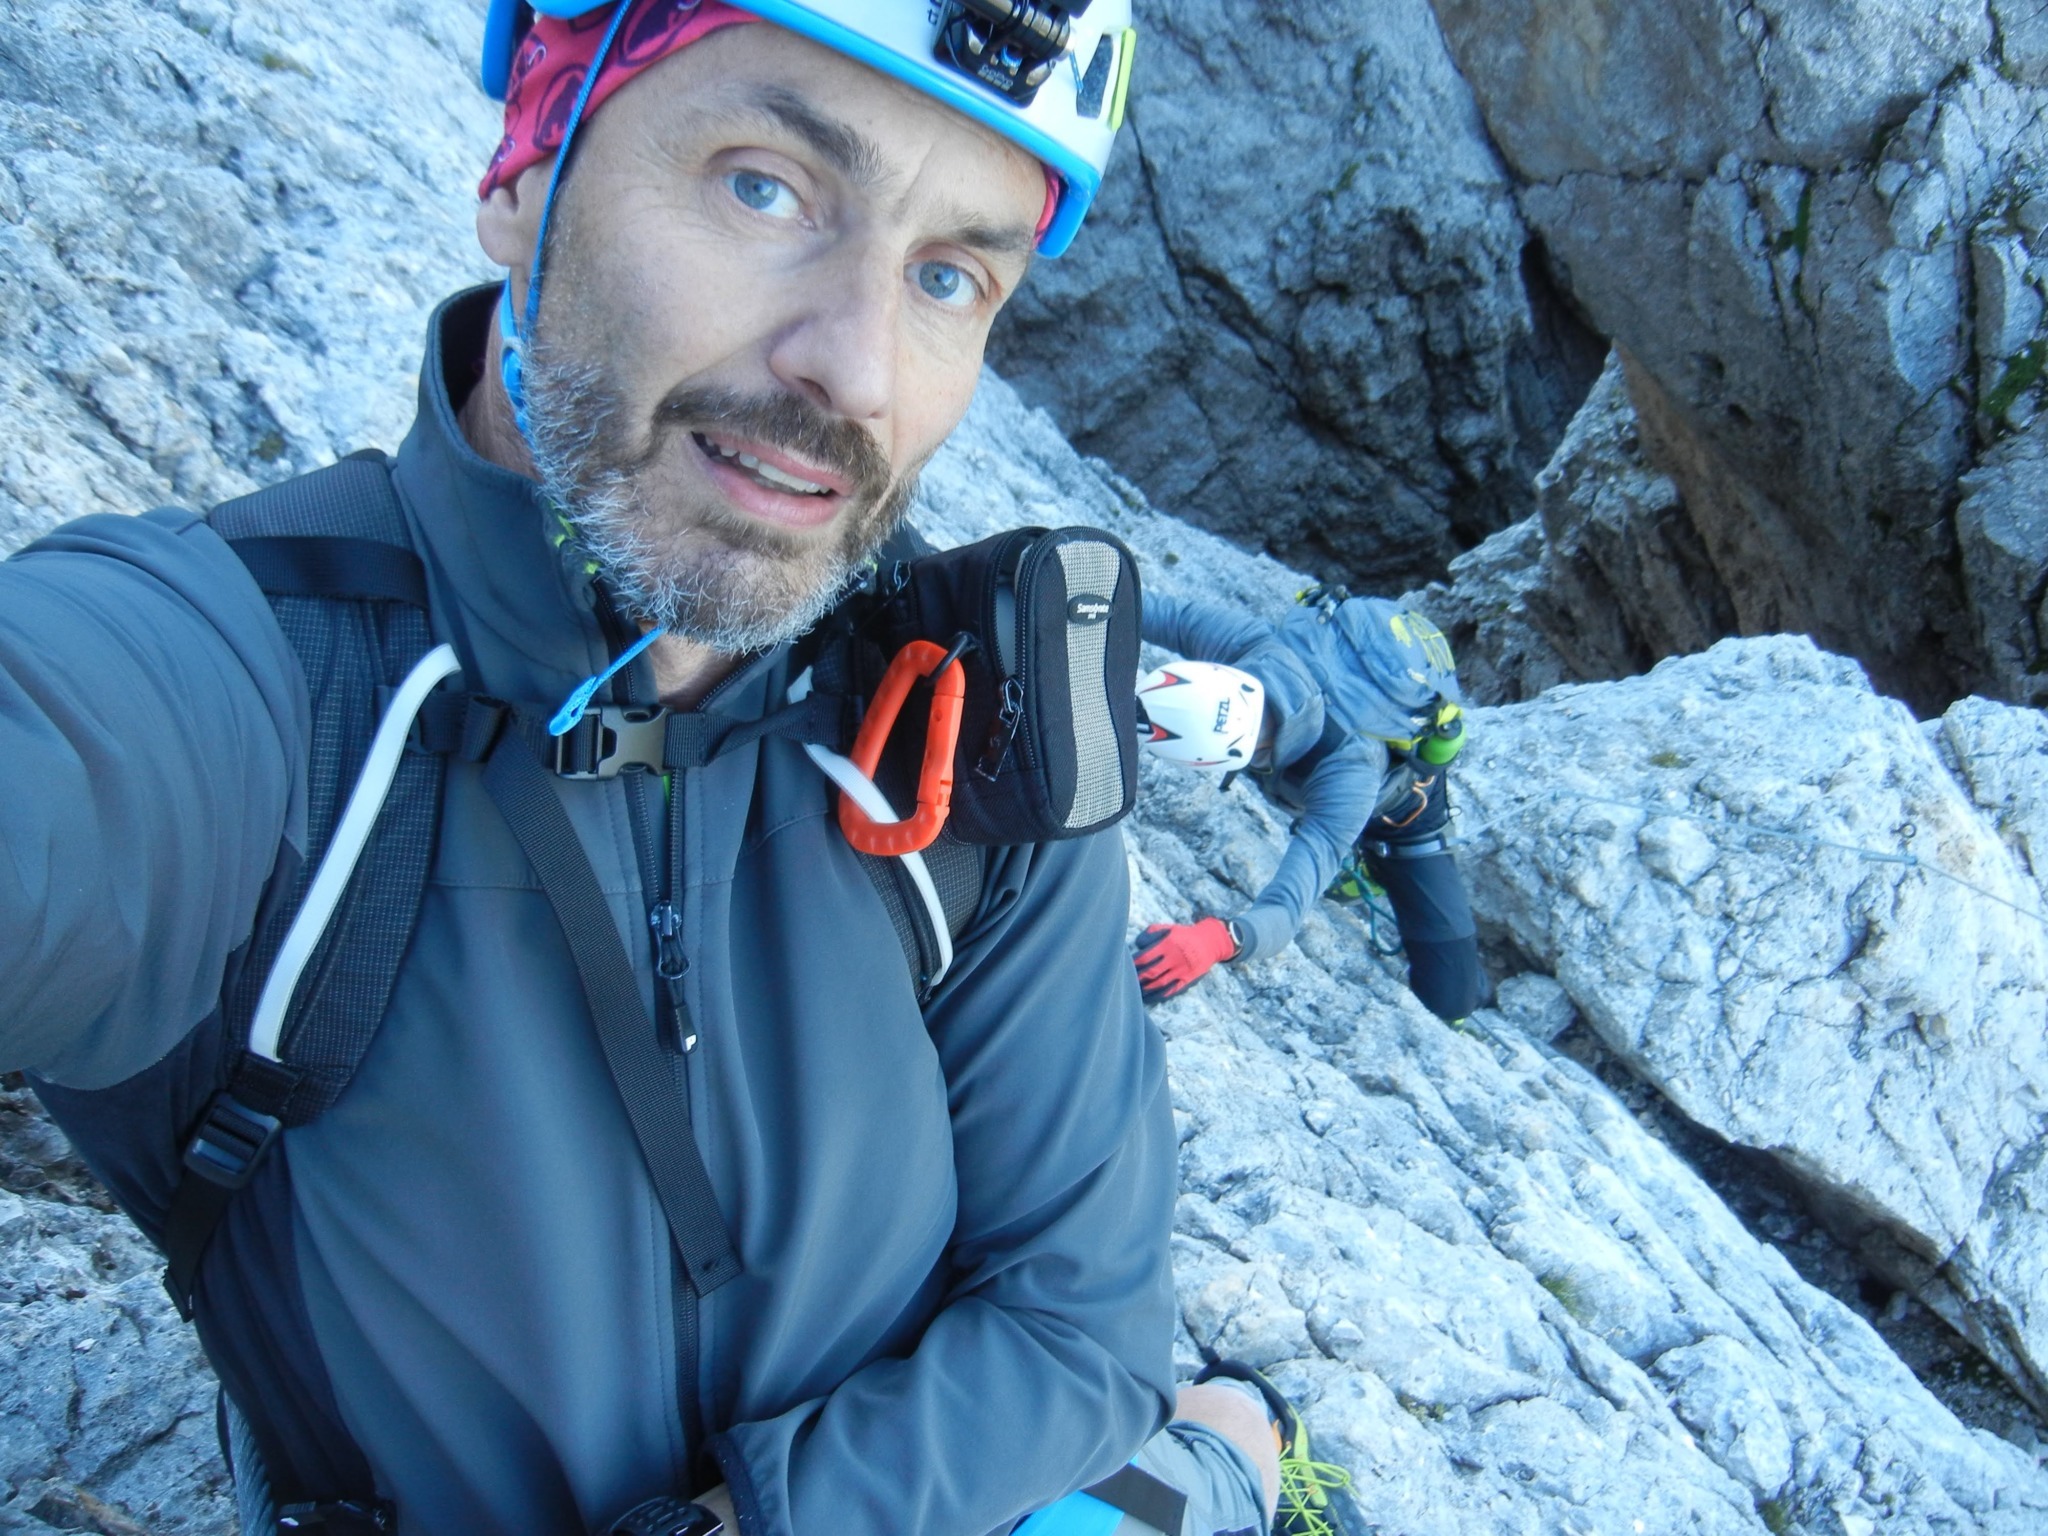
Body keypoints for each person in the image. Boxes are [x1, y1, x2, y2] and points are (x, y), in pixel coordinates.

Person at [0, 4, 1359, 1534]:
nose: (854, 367)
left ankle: (1237, 1441)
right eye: (764, 186)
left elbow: (1078, 1324)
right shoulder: (250, 686)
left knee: (1194, 1453)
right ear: (530, 167)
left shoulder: (960, 729)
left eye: (946, 276)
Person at [1132, 587, 1484, 1022]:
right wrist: (1059, 593)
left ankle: (1375, 871)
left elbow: (1284, 910)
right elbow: (1152, 609)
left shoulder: (1349, 772)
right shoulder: (1248, 644)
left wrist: (1217, 941)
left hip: (1401, 812)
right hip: (1332, 791)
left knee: (1451, 998)